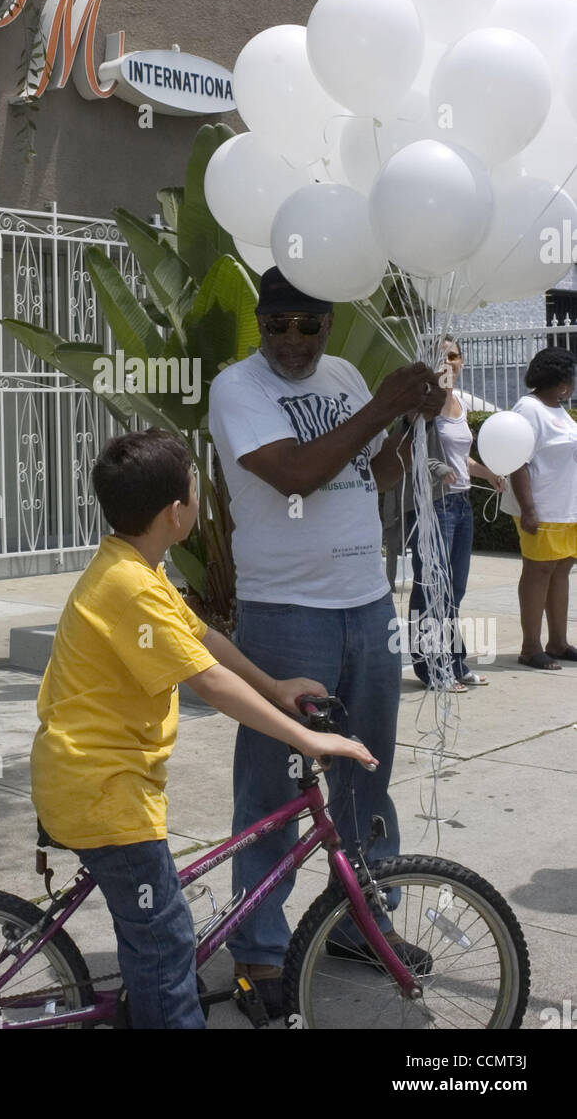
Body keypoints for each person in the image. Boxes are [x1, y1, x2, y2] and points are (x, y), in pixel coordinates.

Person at [31, 428, 378, 1029]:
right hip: (105, 792)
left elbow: (202, 638)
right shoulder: (131, 587)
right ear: (177, 510)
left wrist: (274, 687)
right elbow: (208, 682)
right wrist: (308, 738)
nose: (198, 497)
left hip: (91, 779)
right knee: (166, 944)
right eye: (195, 486)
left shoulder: (134, 564)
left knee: (152, 934)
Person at [208, 267, 444, 1012]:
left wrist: (411, 425)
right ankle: (261, 951)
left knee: (365, 776)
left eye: (307, 325)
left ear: (329, 324)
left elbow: (363, 477)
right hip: (287, 614)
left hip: (366, 604)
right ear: (259, 322)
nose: (291, 341)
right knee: (275, 788)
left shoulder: (341, 375)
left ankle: (362, 924)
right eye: (275, 324)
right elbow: (297, 475)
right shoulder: (236, 388)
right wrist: (383, 404)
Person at [407, 337, 505, 691]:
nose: (448, 362)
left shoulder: (460, 403)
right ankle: (431, 668)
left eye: (454, 355)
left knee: (455, 590)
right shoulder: (420, 403)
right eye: (440, 356)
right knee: (432, 587)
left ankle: (454, 663)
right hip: (433, 504)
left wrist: (488, 473)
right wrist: (436, 470)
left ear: (462, 361)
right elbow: (410, 450)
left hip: (461, 504)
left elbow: (461, 458)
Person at [500, 346, 577, 671]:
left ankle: (557, 642)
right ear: (558, 379)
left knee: (561, 569)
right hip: (541, 509)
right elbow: (519, 462)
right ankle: (530, 647)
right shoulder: (528, 409)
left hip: (566, 508)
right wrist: (528, 509)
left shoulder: (558, 409)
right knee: (538, 571)